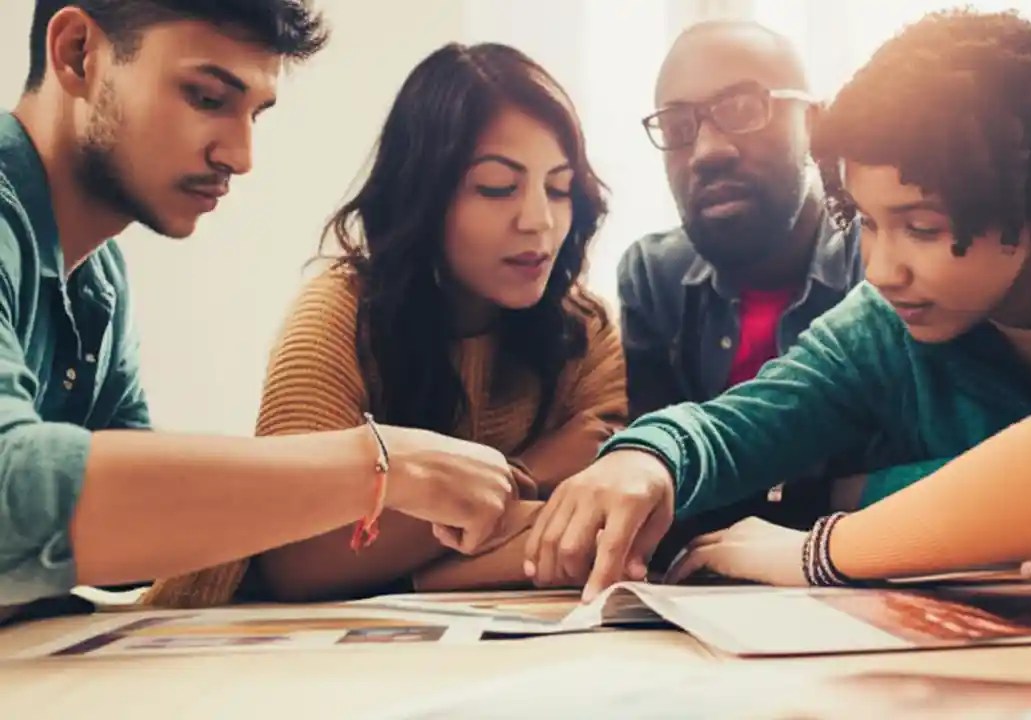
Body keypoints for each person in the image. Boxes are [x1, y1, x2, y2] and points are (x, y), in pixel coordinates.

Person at [527, 0, 1031, 597]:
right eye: (864, 221)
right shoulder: (877, 326)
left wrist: (839, 519)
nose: (882, 269)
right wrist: (649, 456)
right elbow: (742, 423)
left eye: (921, 227)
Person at [0, 1, 520, 619]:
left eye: (255, 114)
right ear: (77, 53)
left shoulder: (97, 275)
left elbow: (130, 534)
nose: (241, 156)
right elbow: (12, 497)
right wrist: (385, 466)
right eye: (206, 98)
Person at [144, 42, 626, 607]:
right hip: (214, 632)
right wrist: (529, 471)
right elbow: (297, 556)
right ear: (423, 194)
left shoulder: (584, 329)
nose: (539, 220)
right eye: (497, 187)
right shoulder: (344, 311)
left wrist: (412, 564)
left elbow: (604, 533)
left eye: (560, 188)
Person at [617, 21, 864, 568]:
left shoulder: (882, 261)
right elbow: (663, 499)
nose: (707, 151)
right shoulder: (653, 277)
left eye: (744, 108)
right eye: (678, 125)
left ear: (814, 124)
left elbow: (931, 474)